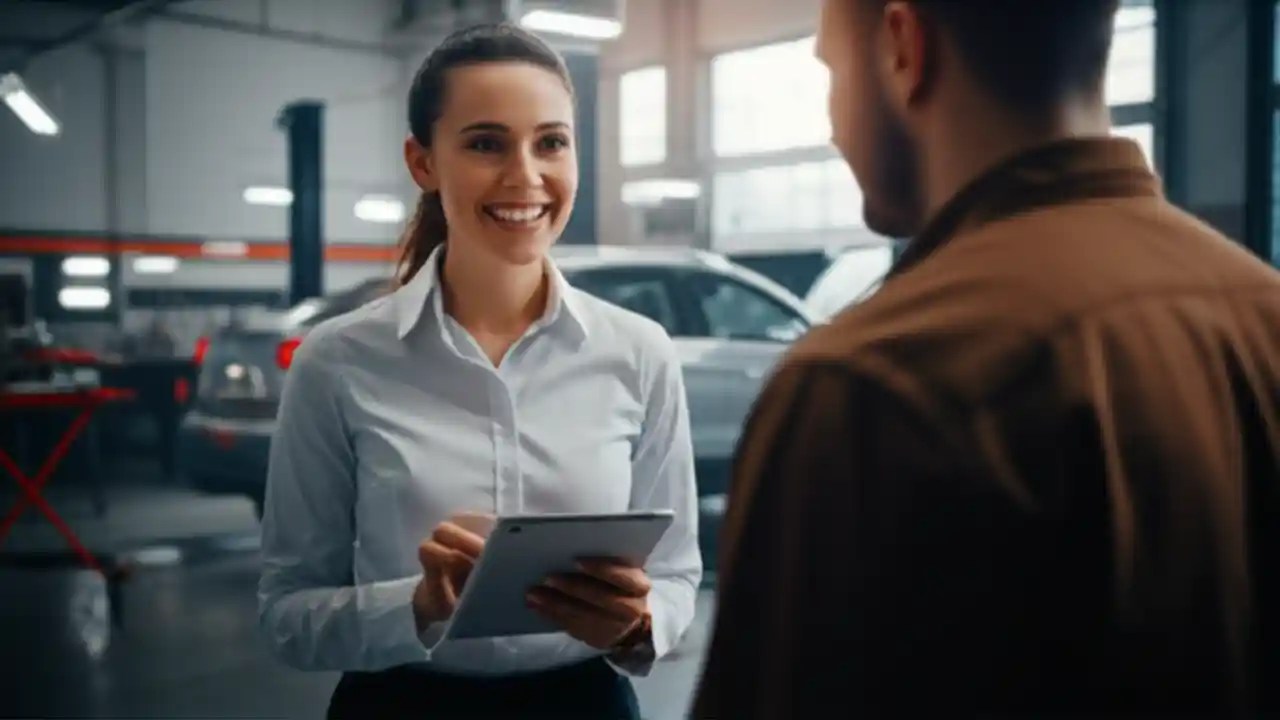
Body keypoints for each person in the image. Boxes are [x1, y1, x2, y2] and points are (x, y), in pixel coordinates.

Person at [694, 0, 1280, 717]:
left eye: (832, 72)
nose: (833, 125)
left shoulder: (872, 384)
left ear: (903, 46)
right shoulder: (1263, 312)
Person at [257, 24, 700, 719]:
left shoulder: (639, 351)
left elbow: (674, 574)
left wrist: (637, 625)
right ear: (423, 162)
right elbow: (288, 613)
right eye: (486, 143)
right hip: (401, 706)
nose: (525, 175)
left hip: (584, 706)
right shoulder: (338, 360)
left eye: (550, 142)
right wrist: (416, 605)